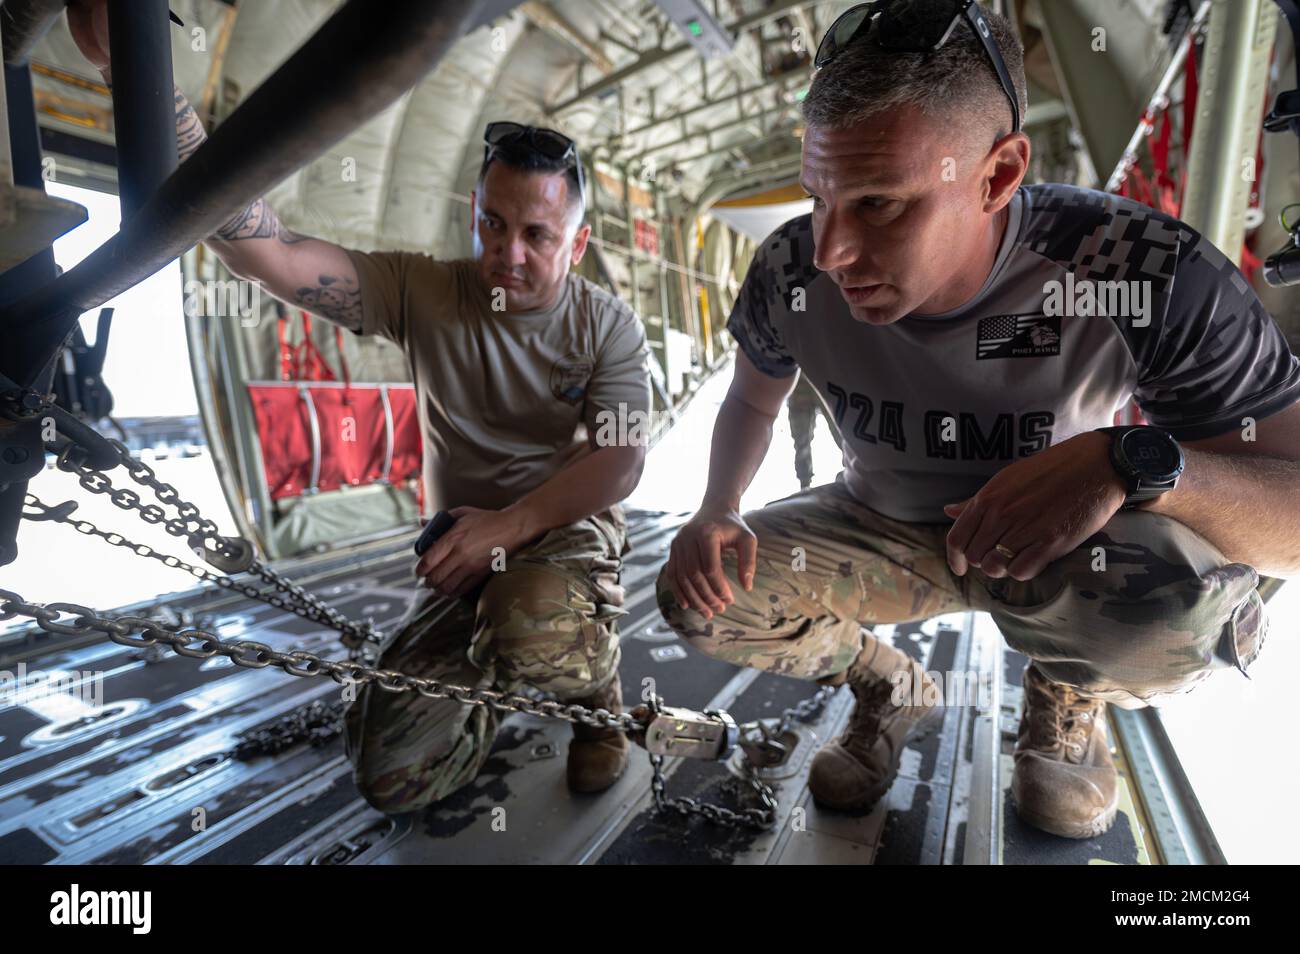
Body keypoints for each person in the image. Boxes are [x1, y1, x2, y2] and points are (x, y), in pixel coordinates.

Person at [655, 1, 1300, 839]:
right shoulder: (789, 269)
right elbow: (752, 393)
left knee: (1171, 611)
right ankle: (892, 688)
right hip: (884, 527)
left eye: (880, 205)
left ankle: (1068, 694)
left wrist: (1126, 461)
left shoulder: (1132, 265)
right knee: (704, 595)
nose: (830, 251)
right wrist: (717, 506)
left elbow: (1289, 512)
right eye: (819, 198)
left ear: (998, 176)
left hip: (1063, 541)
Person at [69, 1, 653, 812]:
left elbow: (621, 460)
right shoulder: (423, 290)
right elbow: (265, 253)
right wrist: (133, 75)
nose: (508, 255)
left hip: (561, 542)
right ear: (472, 214)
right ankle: (495, 681)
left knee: (534, 627)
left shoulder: (607, 326)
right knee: (391, 777)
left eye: (537, 235)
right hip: (464, 562)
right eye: (493, 224)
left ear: (578, 243)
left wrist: (512, 524)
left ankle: (599, 709)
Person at [786, 371, 843, 489]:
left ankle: (855, 477)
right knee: (801, 440)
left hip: (826, 380)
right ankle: (804, 484)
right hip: (799, 383)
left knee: (843, 435)